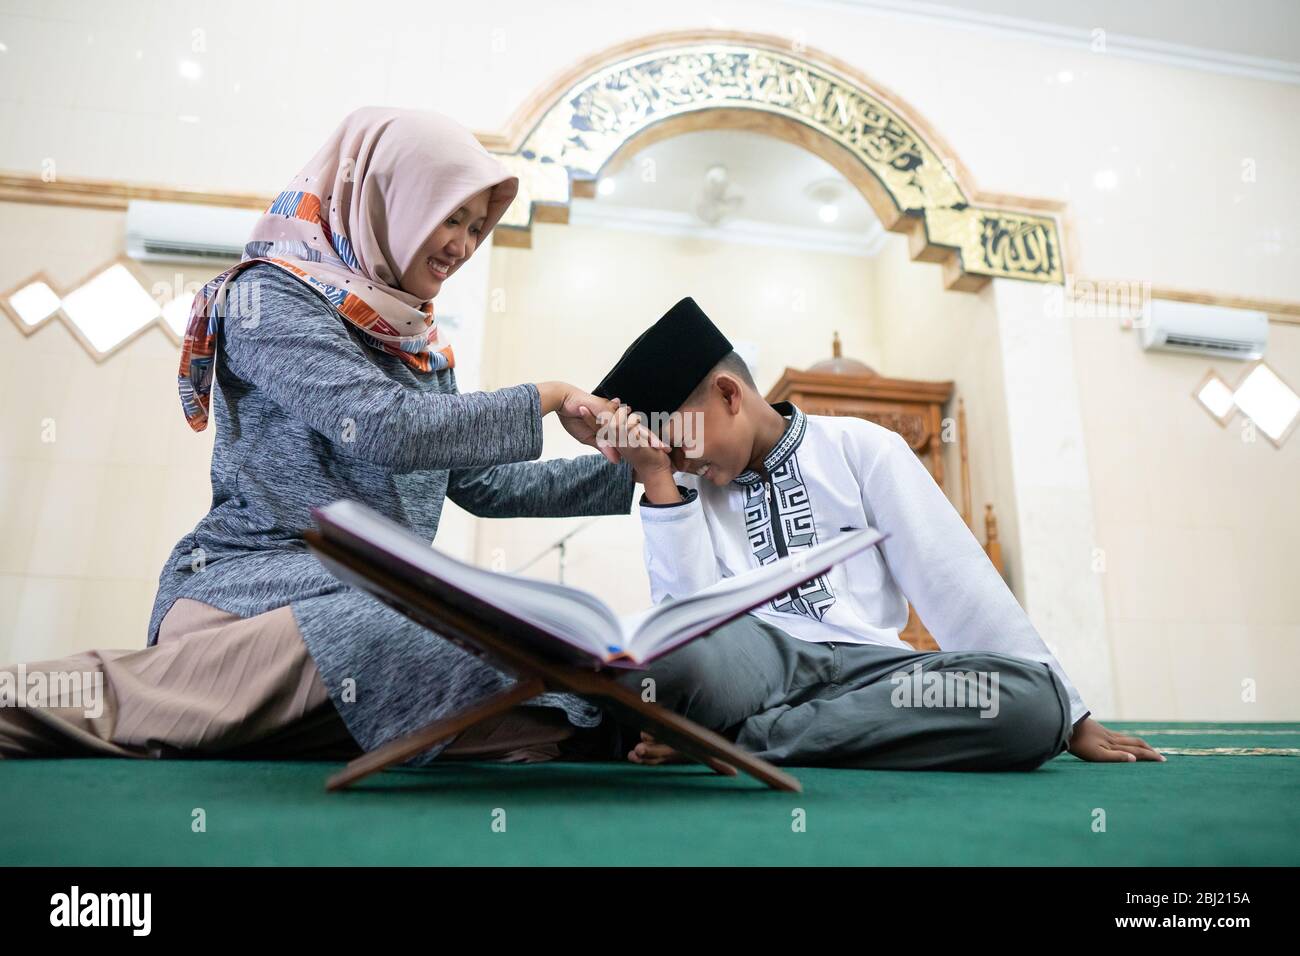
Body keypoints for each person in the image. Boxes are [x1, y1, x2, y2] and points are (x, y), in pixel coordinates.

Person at [0, 107, 633, 763]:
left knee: (518, 666)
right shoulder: (269, 298)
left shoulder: (416, 342)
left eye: (478, 227)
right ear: (390, 201)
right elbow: (384, 426)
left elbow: (483, 484)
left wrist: (637, 475)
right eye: (451, 218)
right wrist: (548, 399)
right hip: (254, 606)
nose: (464, 246)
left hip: (368, 610)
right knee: (412, 641)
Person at [594, 297, 1165, 769]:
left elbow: (954, 579)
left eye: (678, 443)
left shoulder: (862, 447)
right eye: (662, 452)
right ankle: (741, 732)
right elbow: (685, 625)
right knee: (664, 666)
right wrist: (657, 479)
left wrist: (1074, 713)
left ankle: (739, 741)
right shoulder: (687, 488)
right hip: (754, 664)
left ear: (728, 395)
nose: (678, 461)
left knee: (1033, 704)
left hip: (876, 677)